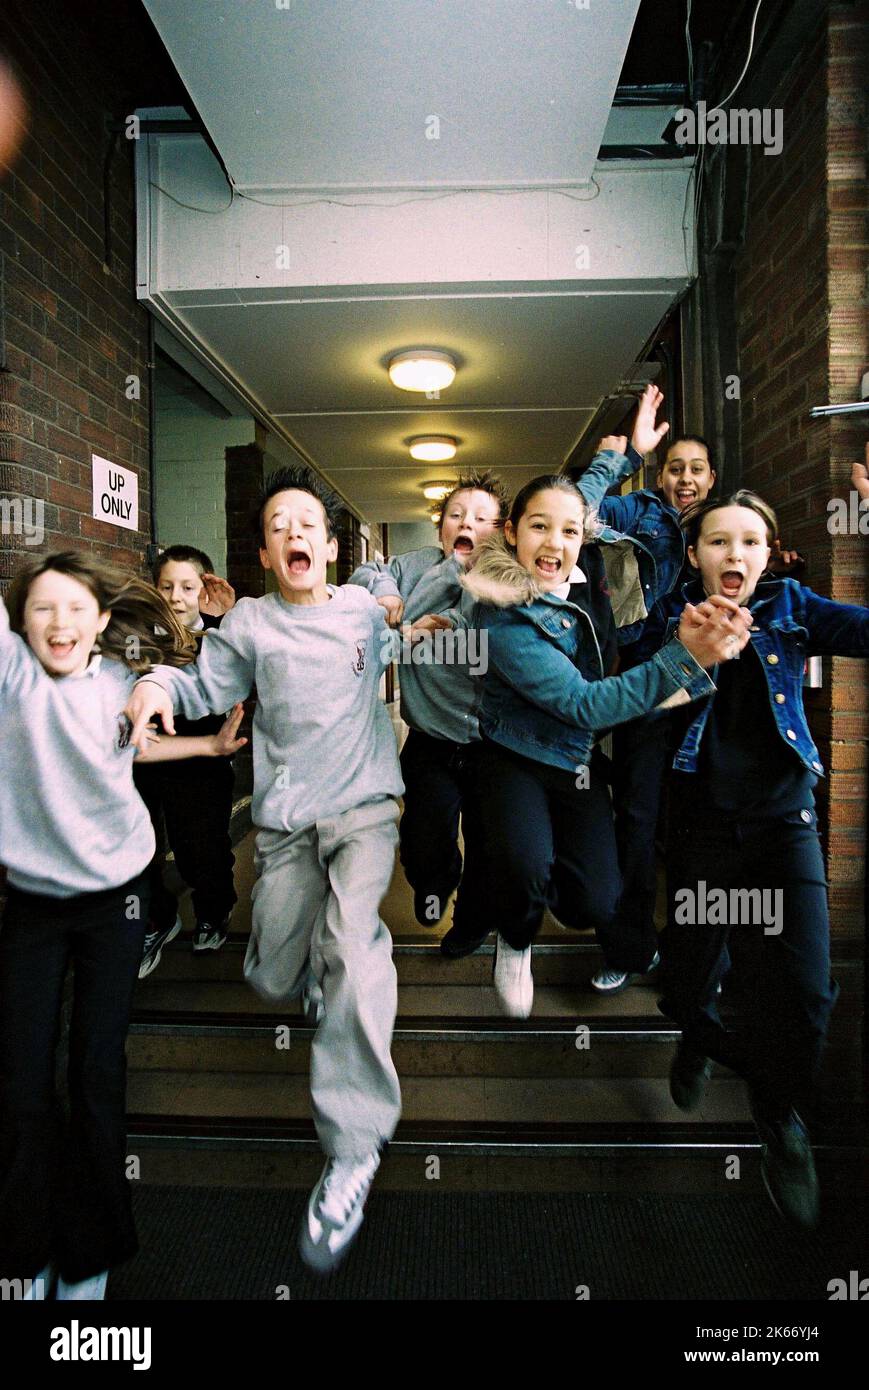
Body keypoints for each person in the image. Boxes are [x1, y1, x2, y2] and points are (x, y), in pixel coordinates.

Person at [123, 464, 409, 1274]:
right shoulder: (246, 625)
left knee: (355, 945)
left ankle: (352, 1149)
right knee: (271, 978)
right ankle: (308, 971)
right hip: (284, 828)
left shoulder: (361, 606)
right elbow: (199, 680)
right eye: (278, 525)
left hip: (363, 812)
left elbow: (419, 594)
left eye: (306, 523)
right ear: (261, 552)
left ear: (327, 542)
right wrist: (152, 684)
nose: (294, 534)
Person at [0, 551, 244, 1301]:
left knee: (95, 1076)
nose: (59, 623)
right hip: (32, 906)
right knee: (19, 1084)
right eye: (43, 608)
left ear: (103, 619)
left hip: (115, 901)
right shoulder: (10, 675)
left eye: (76, 608)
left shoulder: (121, 680)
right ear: (20, 623)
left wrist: (205, 744)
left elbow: (140, 736)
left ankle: (90, 1254)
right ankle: (23, 1254)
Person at [628, 490, 868, 1228]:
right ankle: (697, 1034)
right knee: (685, 982)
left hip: (782, 824)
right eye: (717, 543)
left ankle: (777, 1119)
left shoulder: (792, 606)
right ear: (693, 553)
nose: (734, 556)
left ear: (767, 554)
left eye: (749, 543)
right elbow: (623, 697)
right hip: (701, 829)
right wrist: (682, 653)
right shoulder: (668, 620)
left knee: (806, 994)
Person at [459, 475, 752, 1019]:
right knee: (525, 866)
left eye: (569, 530)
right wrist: (685, 658)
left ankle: (552, 902)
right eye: (539, 526)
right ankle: (516, 937)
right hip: (514, 755)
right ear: (512, 532)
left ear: (584, 537)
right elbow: (585, 704)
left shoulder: (596, 573)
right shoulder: (497, 612)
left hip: (577, 760)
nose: (554, 542)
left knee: (594, 901)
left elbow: (660, 575)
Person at [348, 471, 508, 958]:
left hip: (491, 741)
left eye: (483, 519)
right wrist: (385, 588)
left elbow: (473, 614)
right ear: (441, 527)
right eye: (457, 515)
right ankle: (435, 882)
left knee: (487, 840)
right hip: (430, 737)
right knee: (423, 833)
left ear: (502, 532)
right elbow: (364, 574)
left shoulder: (504, 573)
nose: (468, 524)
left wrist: (446, 610)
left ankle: (472, 921)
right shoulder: (416, 565)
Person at [135, 545, 239, 976]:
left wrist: (224, 620)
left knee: (201, 850)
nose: (176, 596)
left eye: (187, 586)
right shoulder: (138, 636)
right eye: (167, 586)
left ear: (206, 588)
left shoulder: (222, 634)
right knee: (142, 849)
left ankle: (214, 910)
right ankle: (159, 918)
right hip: (146, 760)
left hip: (203, 761)